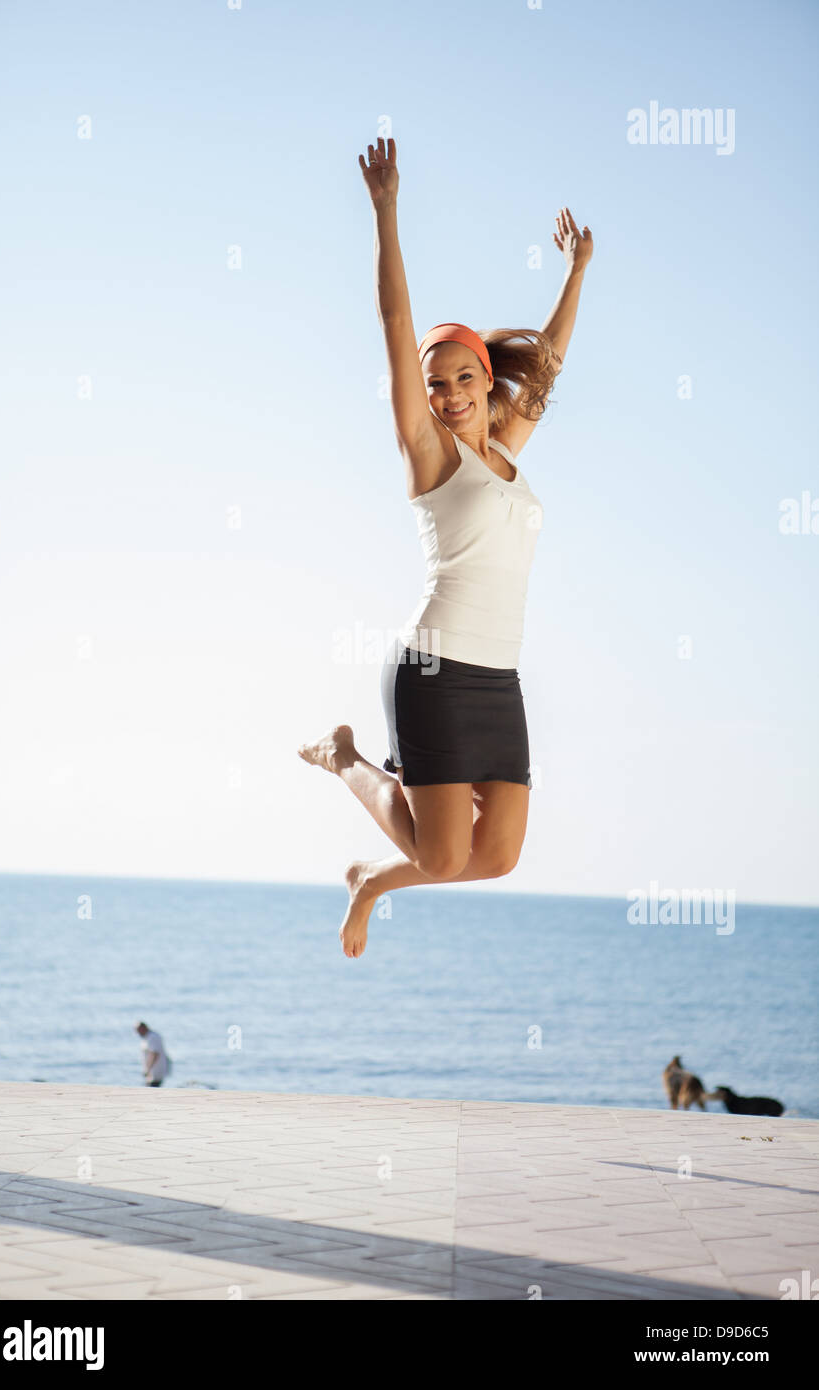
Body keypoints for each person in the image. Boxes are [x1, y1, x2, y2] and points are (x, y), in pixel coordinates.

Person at [298, 135, 592, 959]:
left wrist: (575, 274)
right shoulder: (428, 453)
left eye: (465, 377)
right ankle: (348, 757)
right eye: (437, 382)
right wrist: (386, 212)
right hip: (432, 668)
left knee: (494, 857)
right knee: (441, 852)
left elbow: (550, 366)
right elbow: (396, 321)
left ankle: (369, 879)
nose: (451, 392)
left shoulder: (503, 452)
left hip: (499, 676)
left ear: (486, 383)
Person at [134, 1021, 169, 1086]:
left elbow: (154, 1054)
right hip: (153, 1072)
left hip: (155, 1072)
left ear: (143, 1028)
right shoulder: (148, 1037)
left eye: (138, 1031)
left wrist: (148, 1069)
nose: (138, 1033)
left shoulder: (152, 1037)